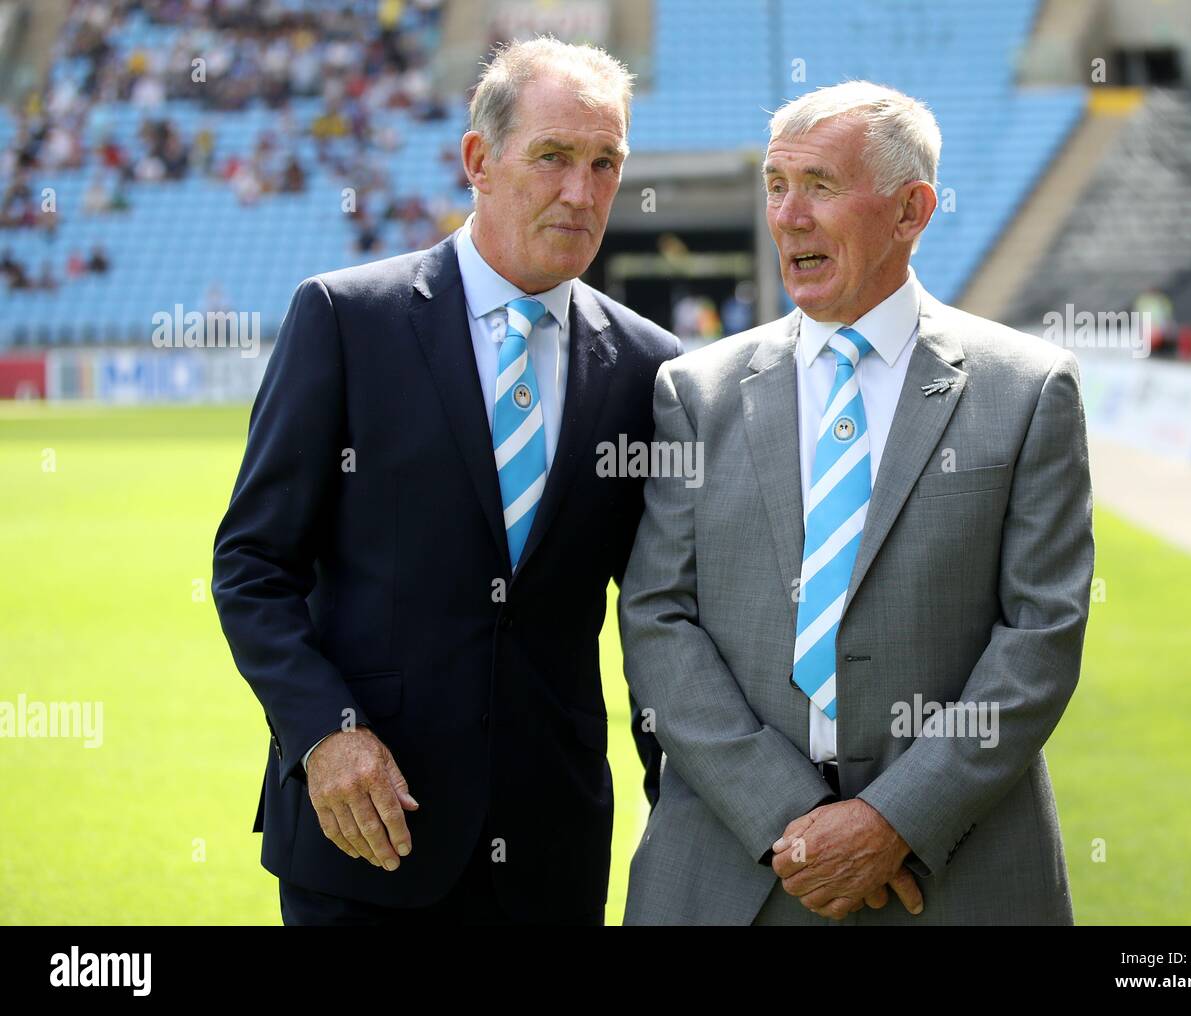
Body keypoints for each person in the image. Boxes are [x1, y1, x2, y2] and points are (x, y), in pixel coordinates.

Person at [212, 37, 679, 927]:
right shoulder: (347, 321)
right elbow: (250, 565)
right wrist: (322, 733)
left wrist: (691, 799)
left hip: (551, 852)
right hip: (365, 833)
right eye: (552, 157)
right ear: (479, 160)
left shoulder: (650, 369)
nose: (582, 192)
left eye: (605, 163)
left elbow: (664, 616)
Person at [620, 81, 1094, 925]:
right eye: (775, 185)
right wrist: (784, 817)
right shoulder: (696, 392)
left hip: (956, 872)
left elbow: (1042, 637)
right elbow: (658, 617)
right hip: (736, 869)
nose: (789, 217)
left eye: (821, 186)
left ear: (911, 211)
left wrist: (893, 818)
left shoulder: (1026, 390)